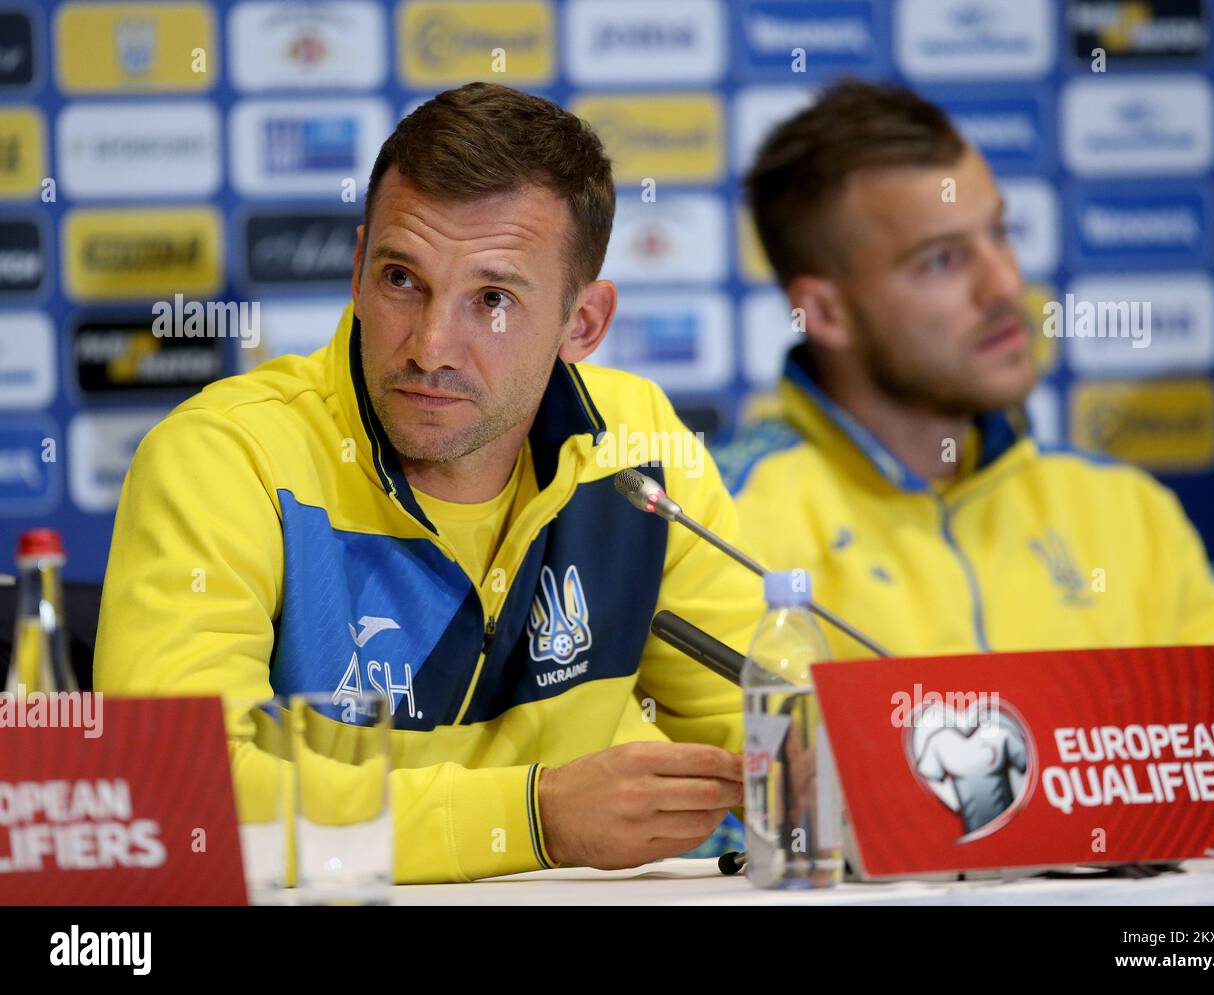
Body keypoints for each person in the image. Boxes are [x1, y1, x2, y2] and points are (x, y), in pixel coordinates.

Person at [95, 83, 760, 883]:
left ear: (582, 323)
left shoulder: (636, 451)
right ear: (356, 273)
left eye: (493, 299)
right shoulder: (224, 458)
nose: (430, 345)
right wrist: (533, 819)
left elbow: (766, 728)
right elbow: (177, 798)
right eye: (403, 280)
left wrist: (821, 765)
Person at [716, 80, 1214, 661]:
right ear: (825, 312)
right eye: (942, 260)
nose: (1005, 285)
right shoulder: (725, 526)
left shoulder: (1127, 511)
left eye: (1000, 233)